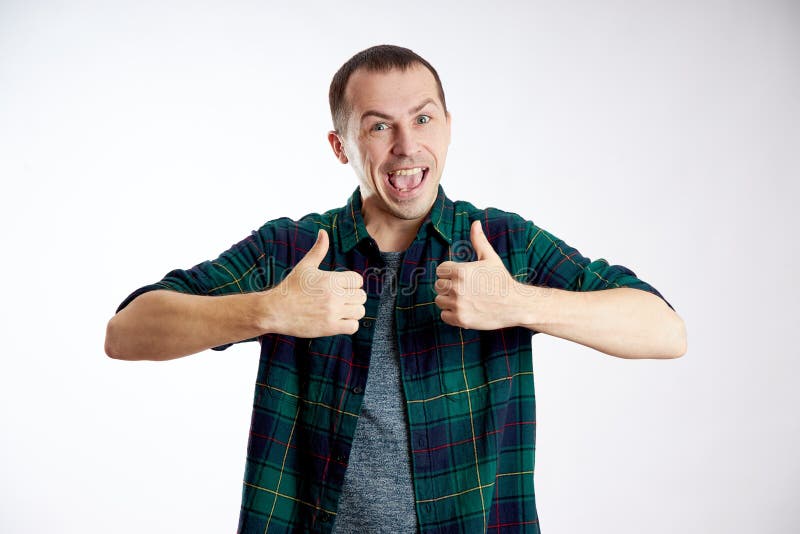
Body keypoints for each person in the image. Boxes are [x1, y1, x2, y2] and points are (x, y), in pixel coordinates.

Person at [105, 44, 687, 534]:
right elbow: (126, 331)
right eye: (379, 125)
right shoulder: (292, 250)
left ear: (449, 126)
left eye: (423, 118)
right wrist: (269, 309)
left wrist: (518, 302)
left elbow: (665, 331)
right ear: (341, 147)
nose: (407, 145)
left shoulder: (501, 243)